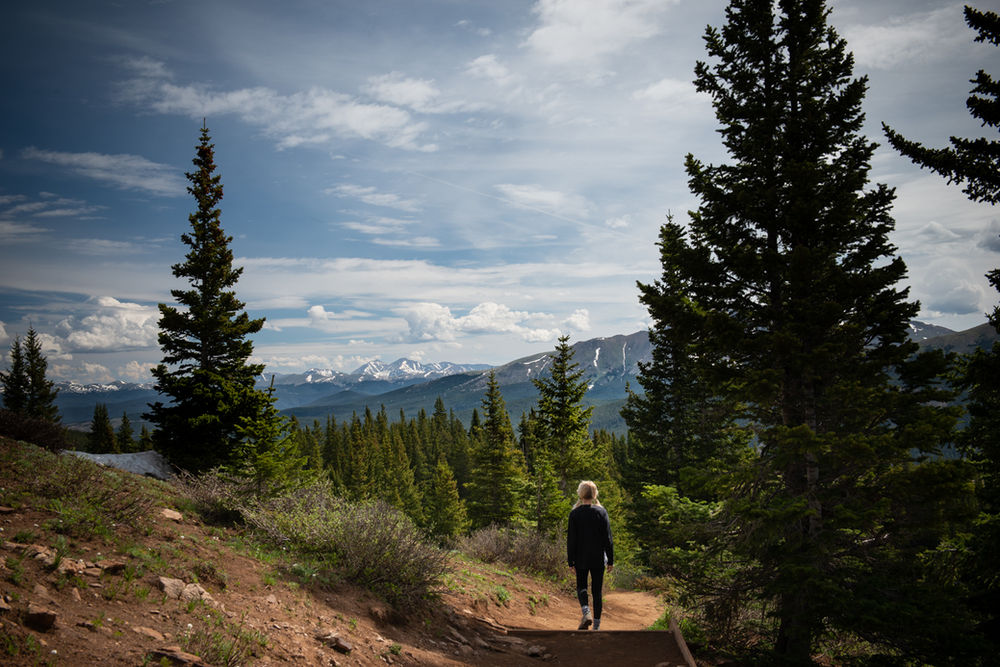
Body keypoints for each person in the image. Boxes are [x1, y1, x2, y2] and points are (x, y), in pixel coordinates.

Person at [567, 480, 614, 630]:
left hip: (581, 557)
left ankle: (586, 612)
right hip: (598, 558)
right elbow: (608, 538)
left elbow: (571, 540)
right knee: (597, 591)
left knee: (581, 586)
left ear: (580, 494)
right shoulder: (601, 512)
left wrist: (570, 561)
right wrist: (610, 560)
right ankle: (597, 627)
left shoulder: (574, 514)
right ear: (594, 495)